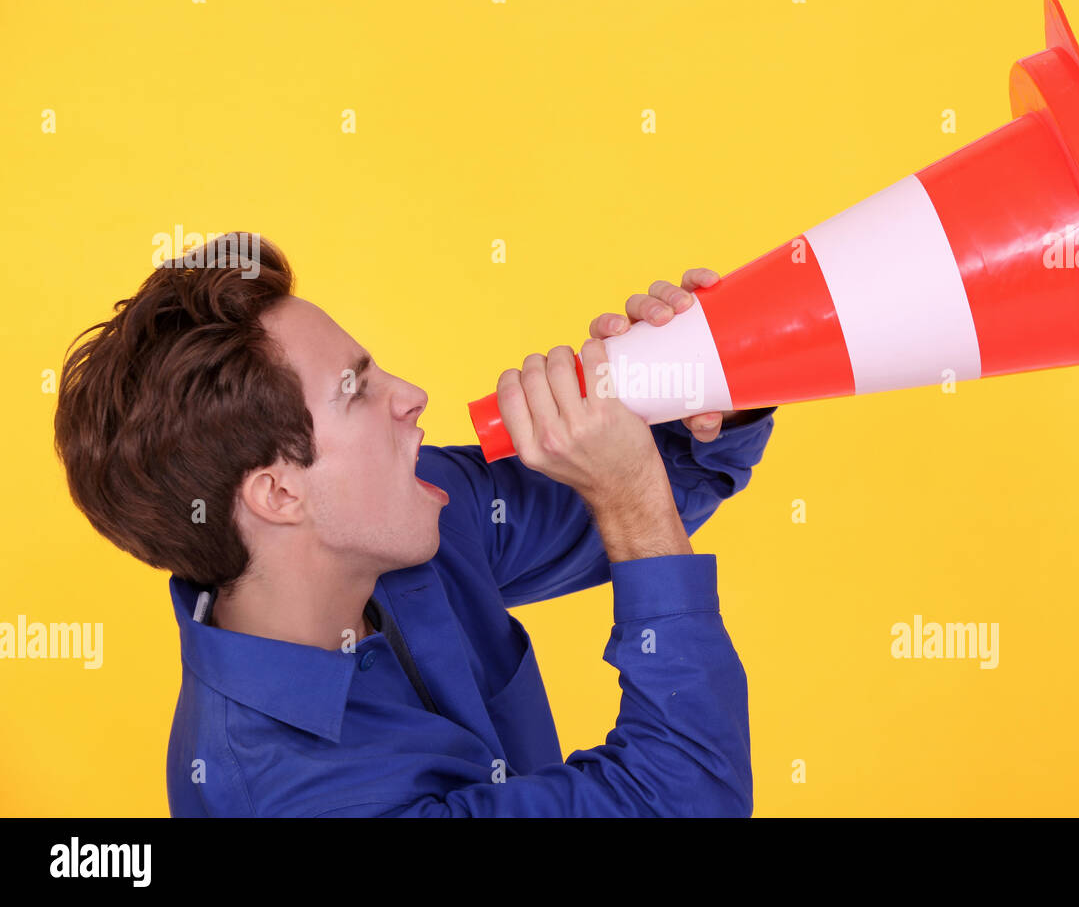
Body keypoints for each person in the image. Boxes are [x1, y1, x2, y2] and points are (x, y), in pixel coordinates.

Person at [53, 232, 776, 816]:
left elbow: (655, 478)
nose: (413, 396)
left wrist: (707, 380)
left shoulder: (411, 516)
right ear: (277, 494)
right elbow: (685, 792)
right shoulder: (292, 796)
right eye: (356, 390)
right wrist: (632, 505)